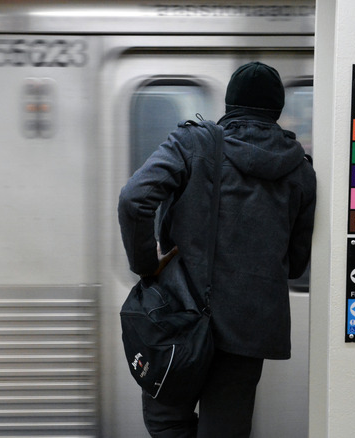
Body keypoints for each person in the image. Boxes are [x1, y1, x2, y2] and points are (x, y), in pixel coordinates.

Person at [117, 61, 316, 437]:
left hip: (182, 312)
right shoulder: (300, 170)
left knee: (166, 417)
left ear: (229, 104)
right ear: (277, 111)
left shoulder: (194, 143)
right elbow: (295, 264)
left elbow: (134, 199)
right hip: (250, 325)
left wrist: (147, 266)